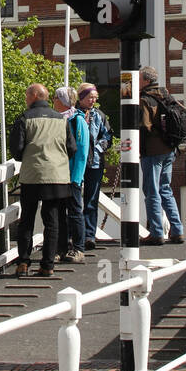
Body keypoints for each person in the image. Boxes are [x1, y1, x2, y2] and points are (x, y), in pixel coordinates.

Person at [10, 83, 76, 277]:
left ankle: (23, 262)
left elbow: (16, 150)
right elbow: (72, 148)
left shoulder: (24, 118)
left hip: (32, 176)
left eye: (26, 95)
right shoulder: (61, 120)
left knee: (27, 220)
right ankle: (47, 265)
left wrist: (30, 156)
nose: (25, 98)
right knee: (52, 221)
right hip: (57, 176)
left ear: (34, 96)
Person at [139, 65, 185, 246]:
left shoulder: (145, 99)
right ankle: (177, 230)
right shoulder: (166, 94)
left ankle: (157, 232)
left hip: (153, 151)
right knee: (165, 189)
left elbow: (144, 126)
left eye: (140, 79)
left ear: (146, 80)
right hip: (170, 149)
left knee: (151, 191)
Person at [52, 86, 89, 262]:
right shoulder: (56, 120)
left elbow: (82, 150)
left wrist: (76, 177)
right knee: (59, 212)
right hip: (58, 174)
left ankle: (78, 248)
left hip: (71, 175)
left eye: (56, 98)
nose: (53, 100)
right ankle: (61, 247)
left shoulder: (77, 121)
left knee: (74, 211)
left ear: (63, 101)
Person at [76, 83, 113, 250]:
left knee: (91, 199)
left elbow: (108, 136)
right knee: (74, 200)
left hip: (95, 163)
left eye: (95, 98)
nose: (93, 100)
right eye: (90, 97)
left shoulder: (100, 115)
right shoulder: (73, 114)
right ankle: (75, 234)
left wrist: (97, 149)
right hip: (77, 162)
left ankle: (89, 235)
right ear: (81, 97)